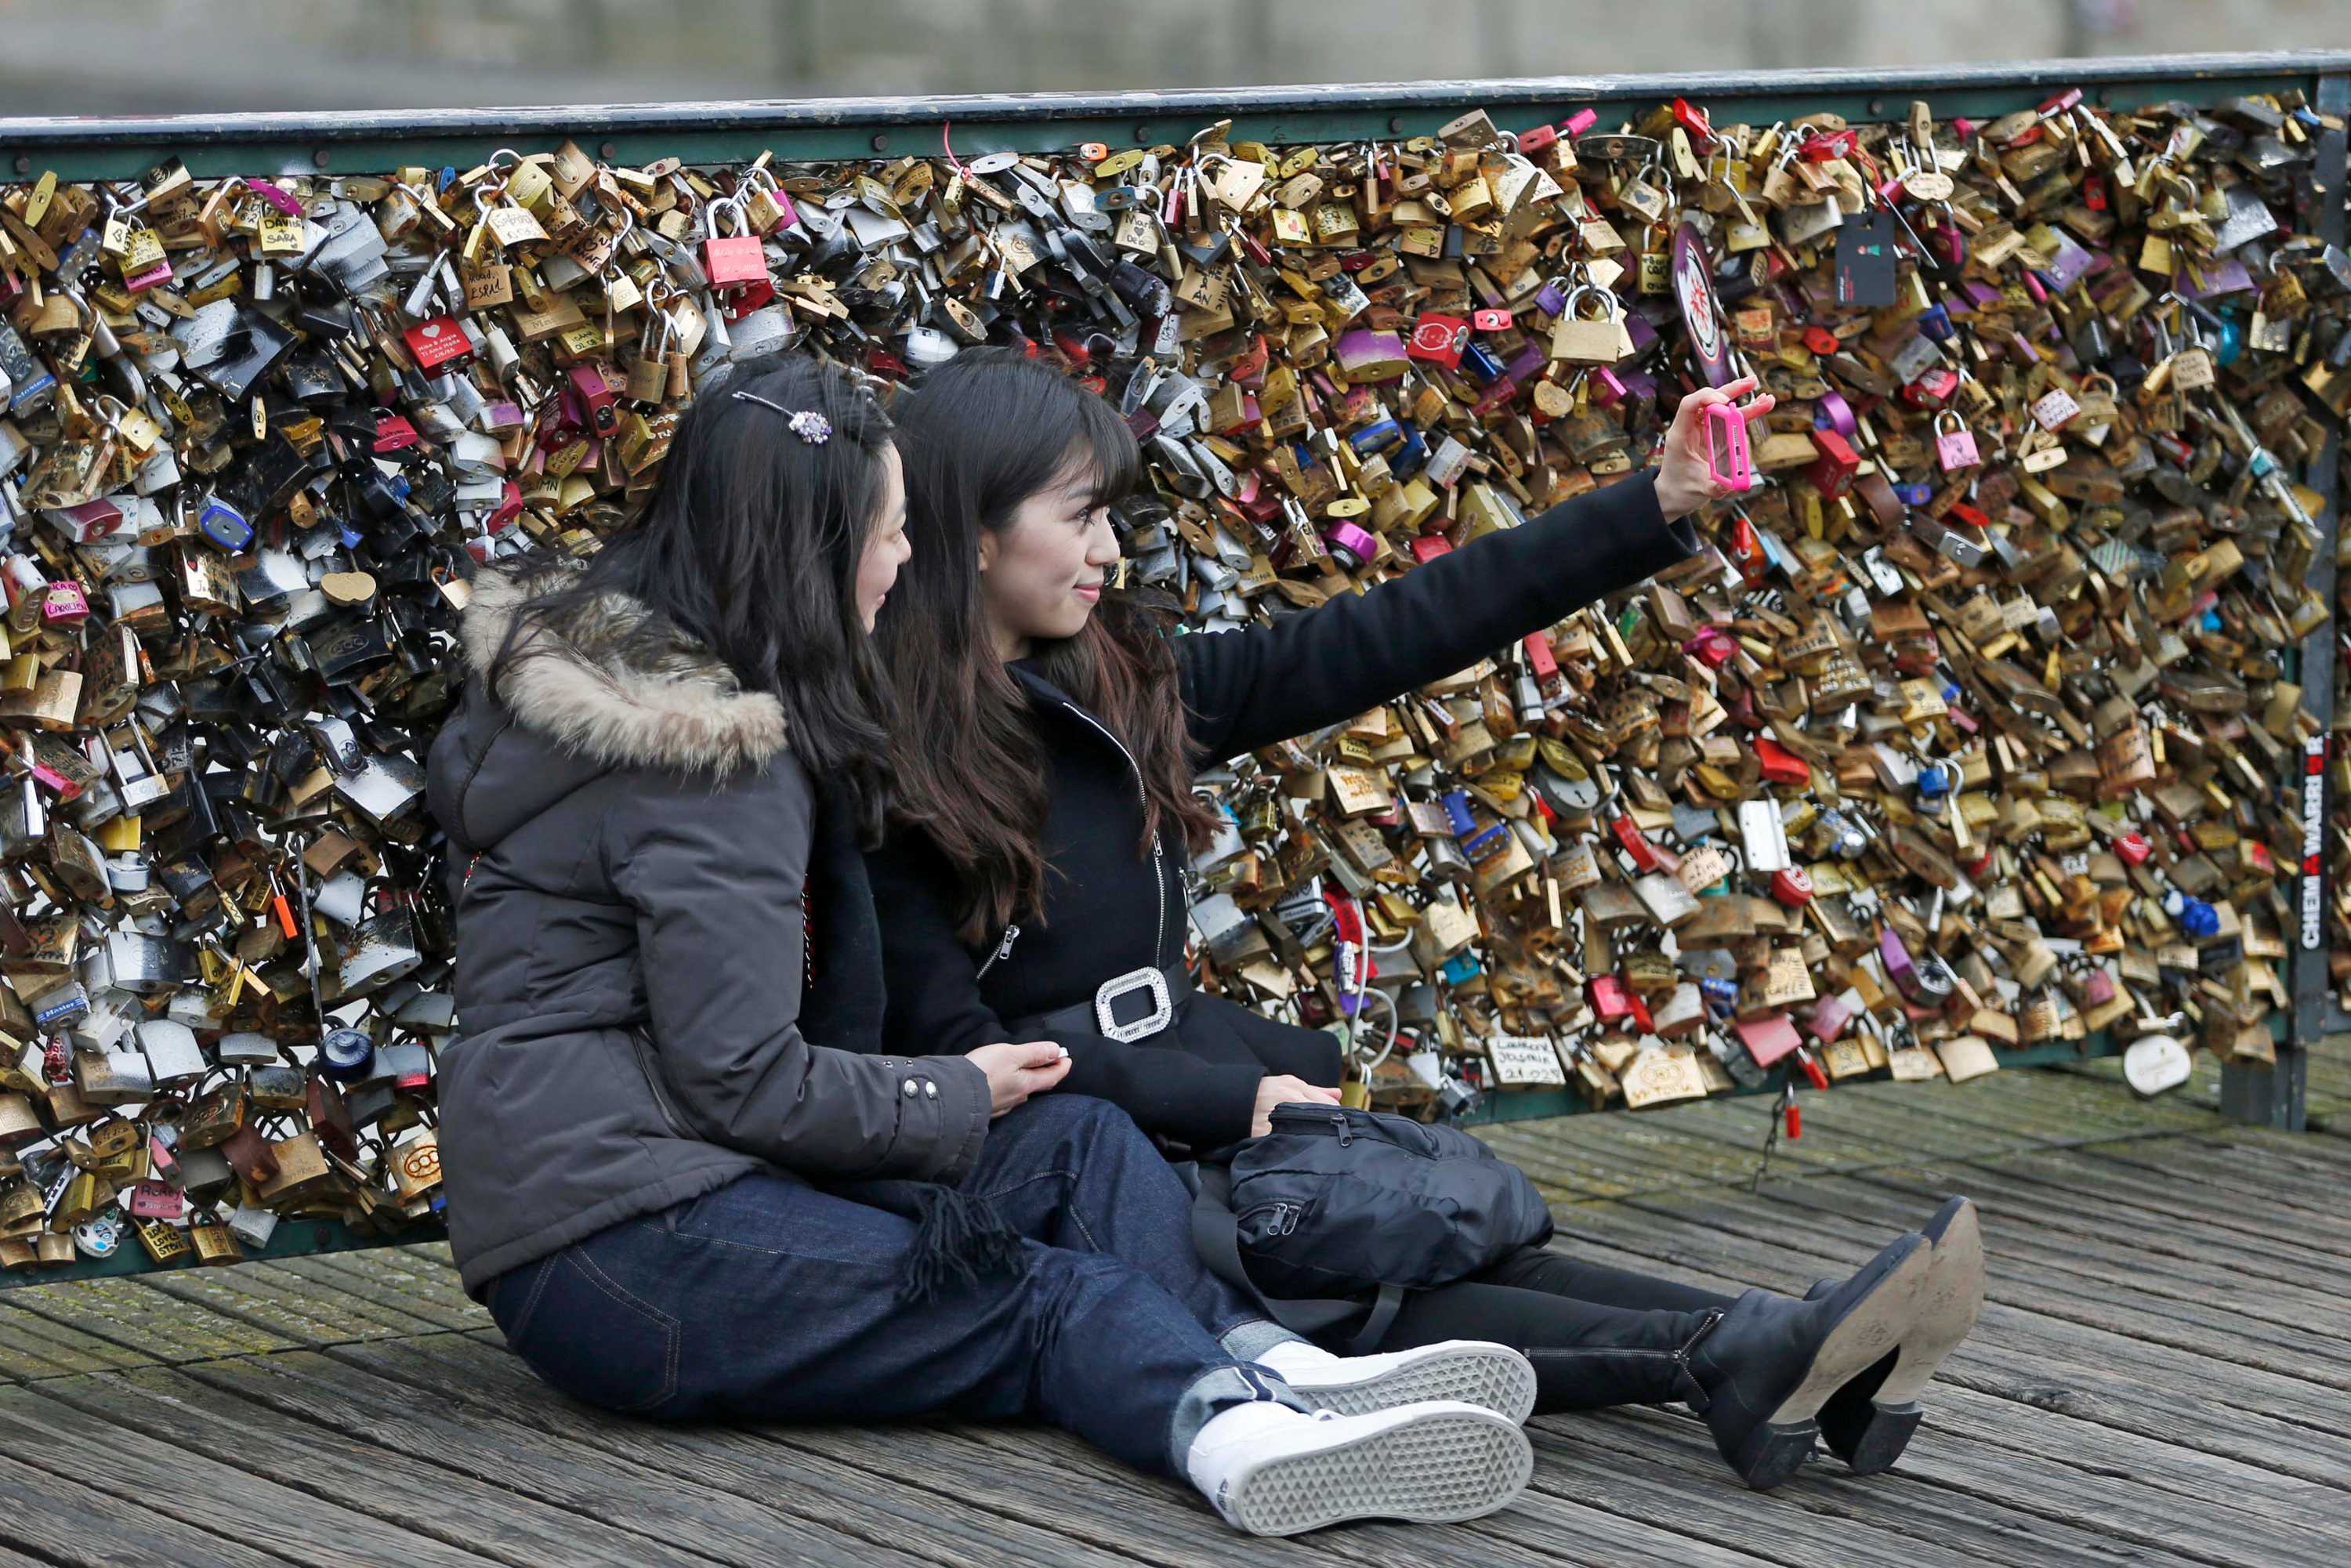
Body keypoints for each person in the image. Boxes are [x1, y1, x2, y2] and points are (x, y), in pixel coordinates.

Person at [423, 351, 1548, 1537]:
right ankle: (1237, 1433)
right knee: (1044, 1298)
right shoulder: (715, 763)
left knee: (1084, 1144)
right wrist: (949, 1086)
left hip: (678, 1171)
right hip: (616, 1249)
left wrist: (962, 1093)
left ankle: (1276, 1364)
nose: (910, 562)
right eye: (892, 532)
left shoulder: (667, 686)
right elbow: (744, 1078)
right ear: (814, 546)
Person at [866, 348, 1987, 1490]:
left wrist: (1653, 505)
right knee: (1357, 1285)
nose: (1110, 549)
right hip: (1072, 1163)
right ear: (976, 530)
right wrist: (1230, 1099)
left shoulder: (1127, 677)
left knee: (1432, 1236)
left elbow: (1399, 628)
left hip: (1199, 1107)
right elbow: (962, 1052)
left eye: (1113, 515)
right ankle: (1750, 1354)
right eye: (1080, 516)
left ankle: (1773, 1346)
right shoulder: (889, 765)